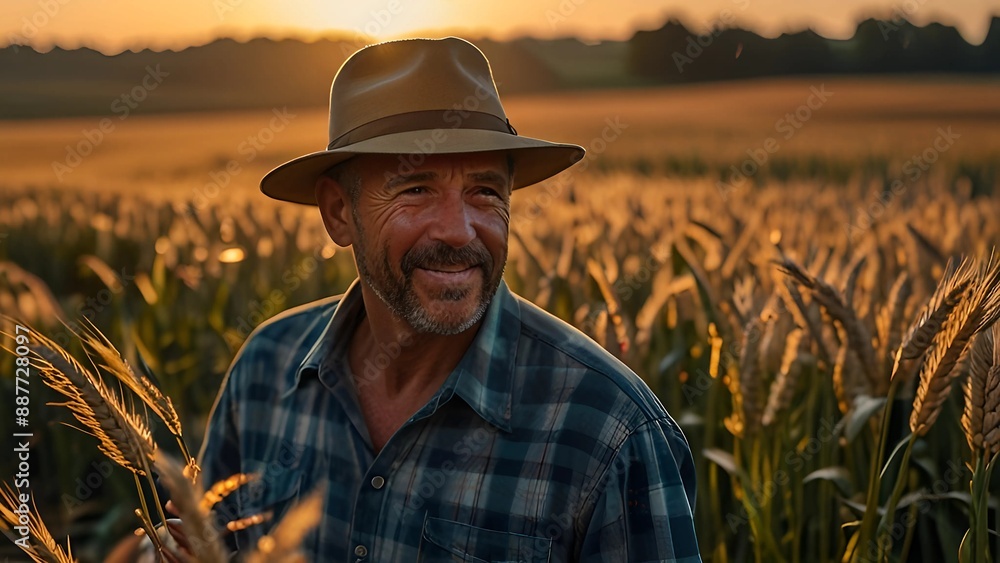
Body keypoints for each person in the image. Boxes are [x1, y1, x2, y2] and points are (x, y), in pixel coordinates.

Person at [190, 36, 700, 562]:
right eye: (416, 189)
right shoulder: (265, 369)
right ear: (340, 212)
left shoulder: (609, 432)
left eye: (485, 192)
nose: (459, 231)